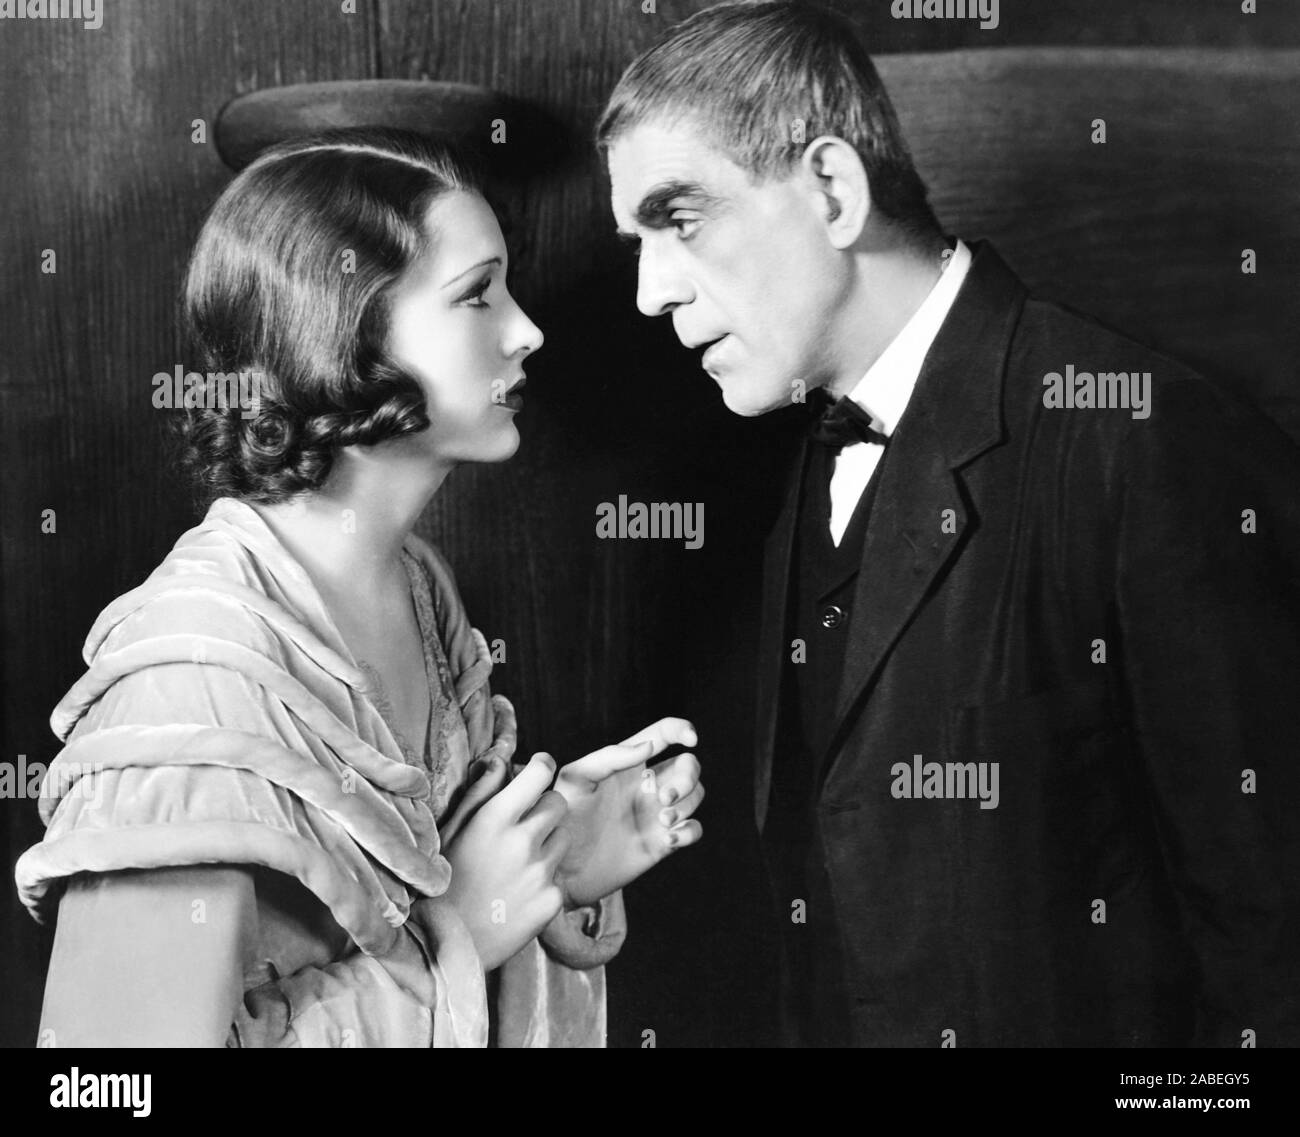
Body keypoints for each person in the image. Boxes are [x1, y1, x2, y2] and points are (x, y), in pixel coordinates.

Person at [597, 1, 1300, 1046]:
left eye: (681, 219)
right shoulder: (808, 446)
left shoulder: (1143, 438)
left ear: (832, 189)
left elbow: (1273, 938)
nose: (651, 292)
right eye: (637, 241)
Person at [16, 127, 704, 1048]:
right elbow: (111, 1082)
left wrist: (549, 850)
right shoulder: (192, 681)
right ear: (344, 328)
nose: (527, 328)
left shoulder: (419, 591)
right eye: (477, 295)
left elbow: (448, 885)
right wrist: (464, 927)